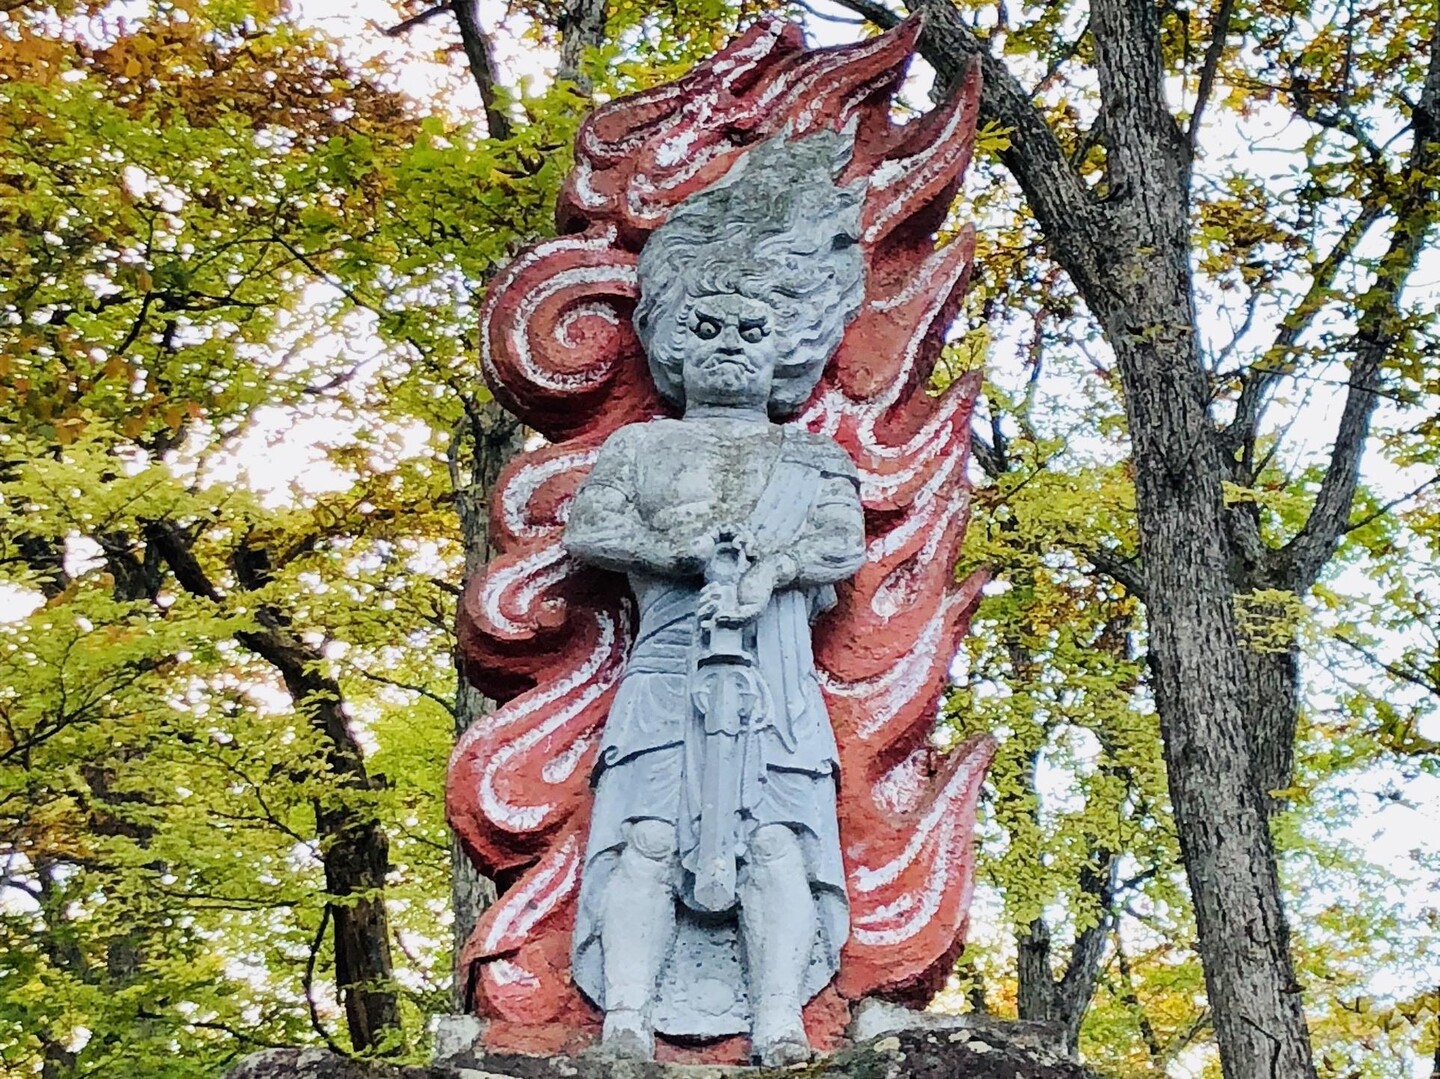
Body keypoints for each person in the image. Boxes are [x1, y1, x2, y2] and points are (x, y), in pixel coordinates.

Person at [563, 128, 868, 1067]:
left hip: (775, 668)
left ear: (787, 353)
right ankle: (627, 1014)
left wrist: (771, 571)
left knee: (779, 839)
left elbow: (839, 544)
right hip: (665, 663)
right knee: (647, 834)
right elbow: (590, 532)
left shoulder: (812, 457)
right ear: (671, 349)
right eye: (707, 330)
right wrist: (682, 551)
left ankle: (778, 1017)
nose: (729, 347)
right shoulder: (641, 449)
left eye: (751, 333)